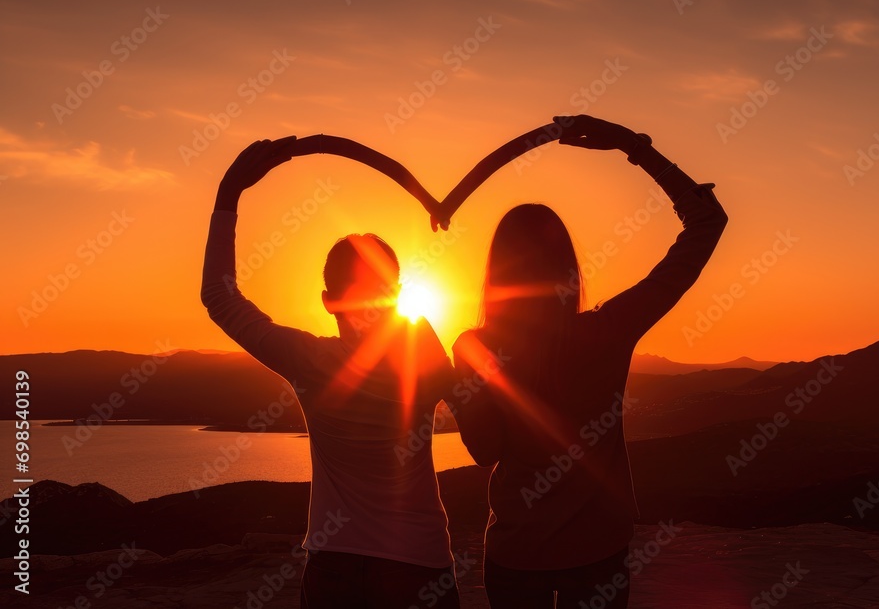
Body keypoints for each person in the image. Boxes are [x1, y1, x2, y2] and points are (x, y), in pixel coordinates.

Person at [450, 115, 729, 608]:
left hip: (518, 553)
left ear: (498, 273)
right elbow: (707, 223)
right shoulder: (608, 329)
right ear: (567, 269)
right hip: (599, 550)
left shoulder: (475, 347)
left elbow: (484, 449)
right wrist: (634, 148)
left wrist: (460, 384)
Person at [200, 136, 460, 609]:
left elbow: (220, 300)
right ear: (398, 294)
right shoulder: (420, 352)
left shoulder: (311, 360)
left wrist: (229, 195)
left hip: (336, 566)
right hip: (419, 566)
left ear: (327, 300)